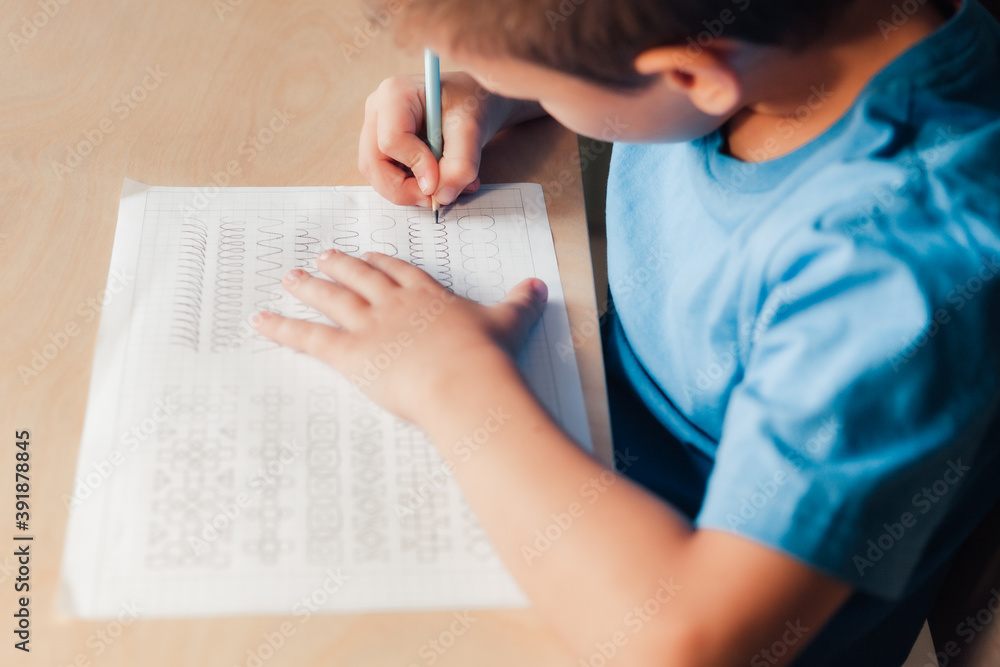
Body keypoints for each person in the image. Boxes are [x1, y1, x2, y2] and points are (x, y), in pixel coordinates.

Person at [254, 0, 1000, 664]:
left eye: (544, 81)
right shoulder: (761, 41)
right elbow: (612, 65)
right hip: (592, 434)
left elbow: (681, 640)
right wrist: (487, 86)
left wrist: (450, 381)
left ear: (691, 76)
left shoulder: (893, 274)